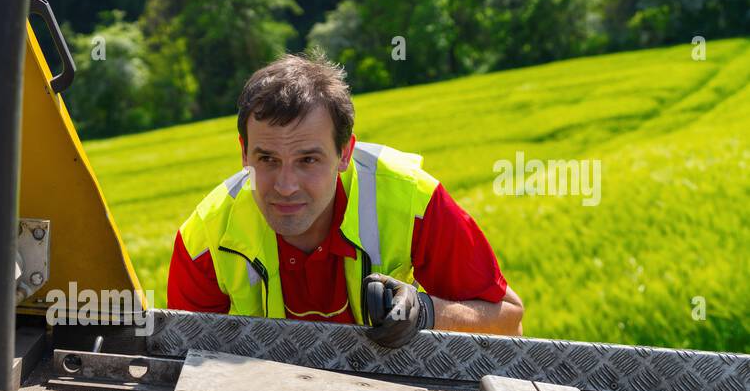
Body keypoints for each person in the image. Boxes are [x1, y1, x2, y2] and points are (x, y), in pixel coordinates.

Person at [168, 52, 524, 348]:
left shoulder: (411, 198)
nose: (286, 185)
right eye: (268, 160)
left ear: (345, 153)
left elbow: (509, 322)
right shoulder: (204, 238)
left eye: (308, 160)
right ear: (244, 153)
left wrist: (428, 313)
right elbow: (182, 361)